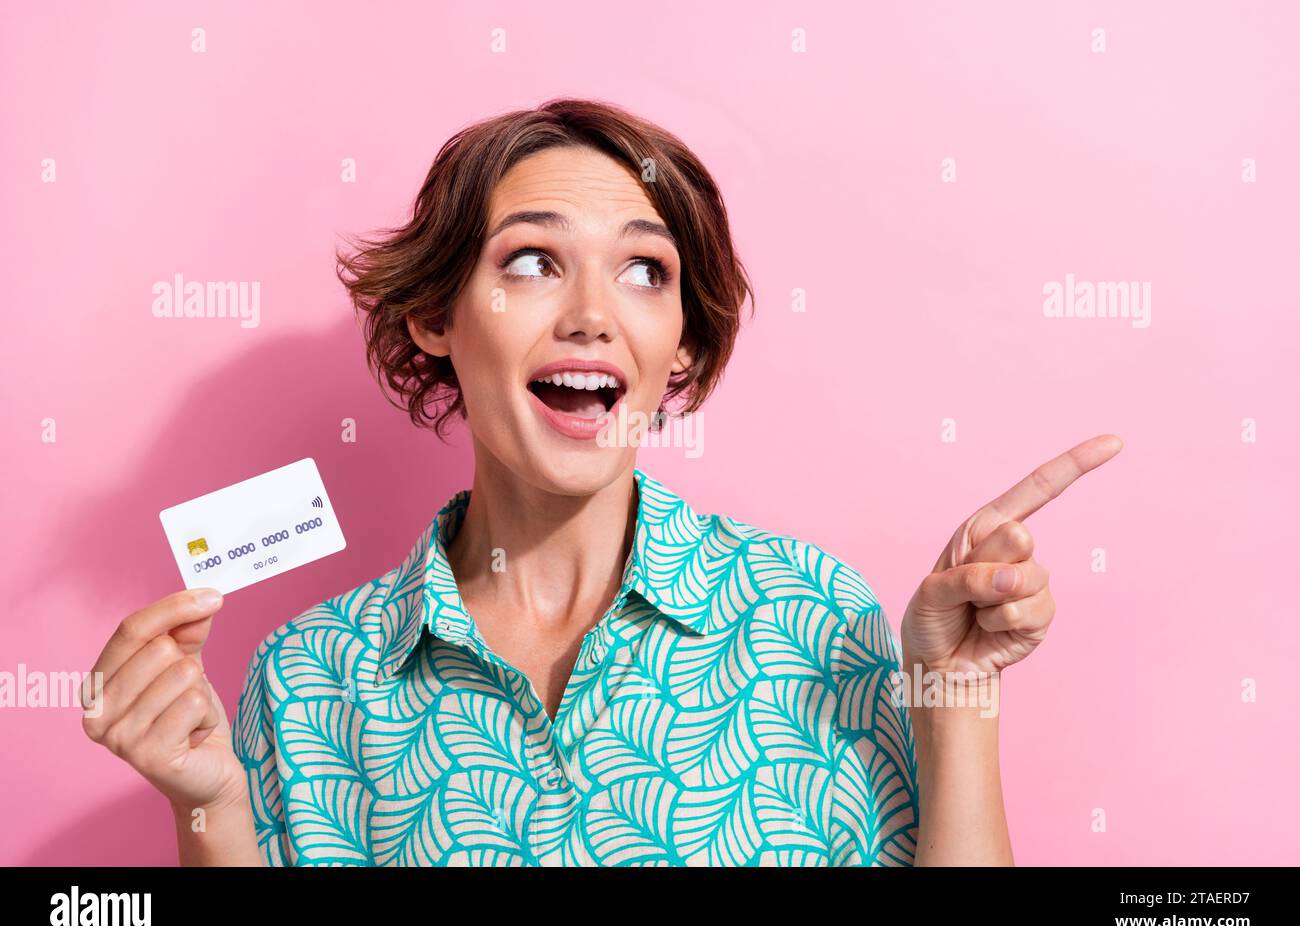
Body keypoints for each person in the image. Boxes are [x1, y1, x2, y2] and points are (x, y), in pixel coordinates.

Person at [82, 98, 1121, 866]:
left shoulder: (812, 613)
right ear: (436, 319)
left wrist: (959, 691)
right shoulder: (307, 682)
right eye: (531, 261)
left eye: (644, 270)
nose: (590, 313)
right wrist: (209, 806)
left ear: (677, 350)